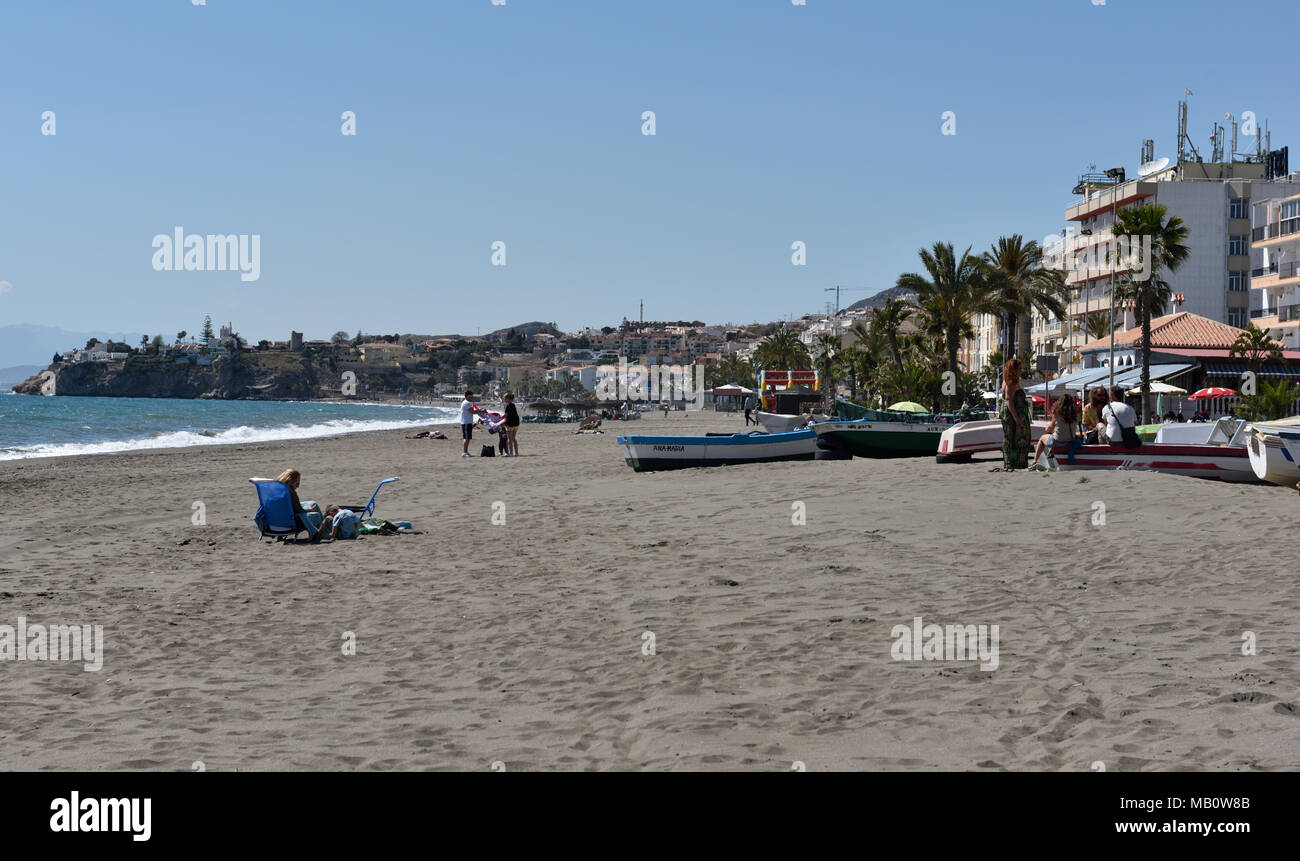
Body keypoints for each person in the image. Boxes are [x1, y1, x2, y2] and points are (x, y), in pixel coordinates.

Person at [277, 469, 330, 539]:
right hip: (292, 522)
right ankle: (322, 533)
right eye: (297, 483)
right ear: (291, 481)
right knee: (316, 515)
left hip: (277, 521)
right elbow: (299, 511)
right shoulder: (291, 492)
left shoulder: (277, 489)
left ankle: (325, 531)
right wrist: (309, 510)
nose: (298, 486)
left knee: (313, 503)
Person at [1031, 395, 1079, 470]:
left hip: (1058, 442)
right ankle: (1051, 451)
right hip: (1071, 441)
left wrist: (1047, 427)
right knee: (1054, 433)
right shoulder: (1075, 414)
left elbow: (1049, 429)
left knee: (1042, 438)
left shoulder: (1057, 413)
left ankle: (1034, 461)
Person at [999, 358, 1030, 471]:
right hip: (1012, 415)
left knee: (1009, 438)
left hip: (1008, 414)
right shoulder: (1012, 382)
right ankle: (1015, 463)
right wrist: (1016, 417)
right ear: (1014, 370)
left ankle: (1009, 463)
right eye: (1019, 368)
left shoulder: (1006, 380)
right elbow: (1008, 399)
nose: (1021, 371)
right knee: (1017, 439)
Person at [459, 390, 486, 457]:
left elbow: (473, 411)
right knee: (467, 438)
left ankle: (466, 451)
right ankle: (465, 452)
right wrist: (480, 411)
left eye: (471, 397)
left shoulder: (467, 402)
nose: (471, 398)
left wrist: (480, 410)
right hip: (466, 422)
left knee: (468, 438)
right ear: (466, 396)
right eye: (469, 397)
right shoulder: (467, 403)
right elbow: (472, 412)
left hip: (467, 422)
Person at [503, 392, 521, 457]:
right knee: (514, 438)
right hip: (516, 423)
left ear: (508, 398)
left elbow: (505, 415)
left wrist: (499, 418)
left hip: (510, 424)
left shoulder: (508, 406)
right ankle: (516, 453)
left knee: (510, 439)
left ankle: (510, 453)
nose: (504, 399)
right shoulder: (513, 405)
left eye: (505, 398)